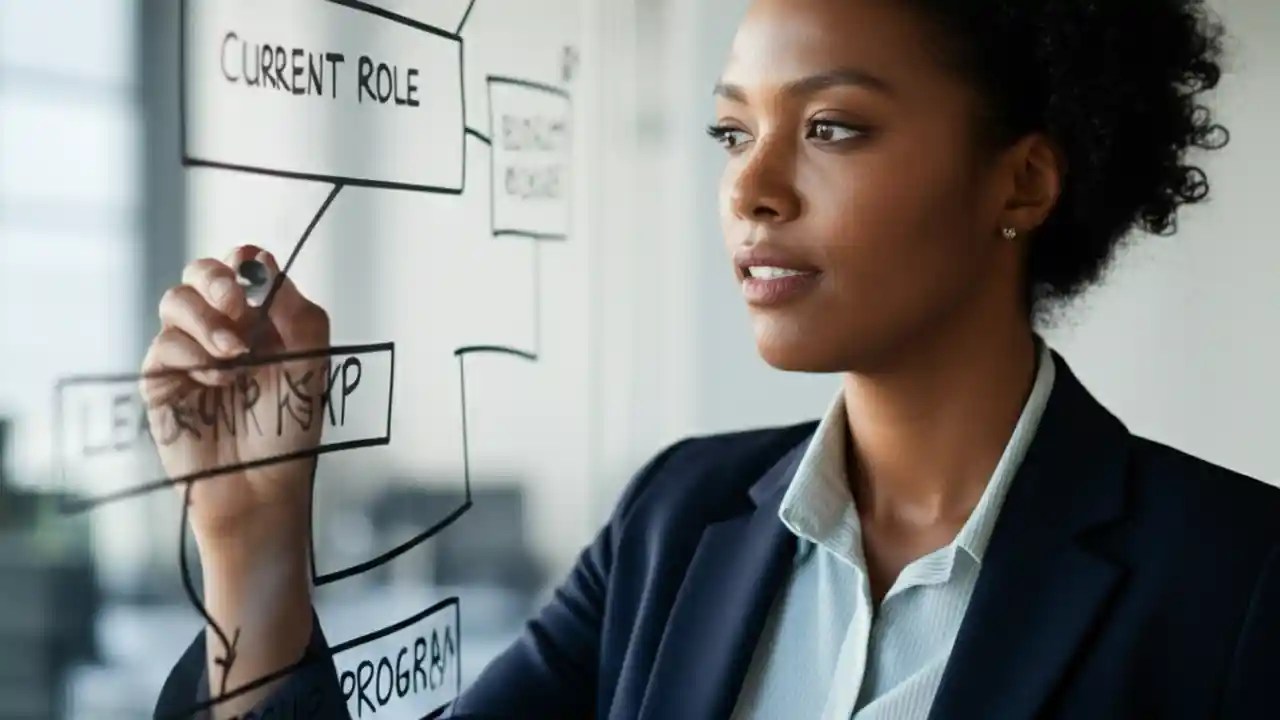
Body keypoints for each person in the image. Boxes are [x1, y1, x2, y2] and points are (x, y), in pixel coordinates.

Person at [154, 0, 1280, 718]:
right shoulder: (675, 518)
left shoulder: (1236, 580)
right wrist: (251, 543)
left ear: (1021, 182)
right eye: (733, 133)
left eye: (831, 127)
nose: (751, 188)